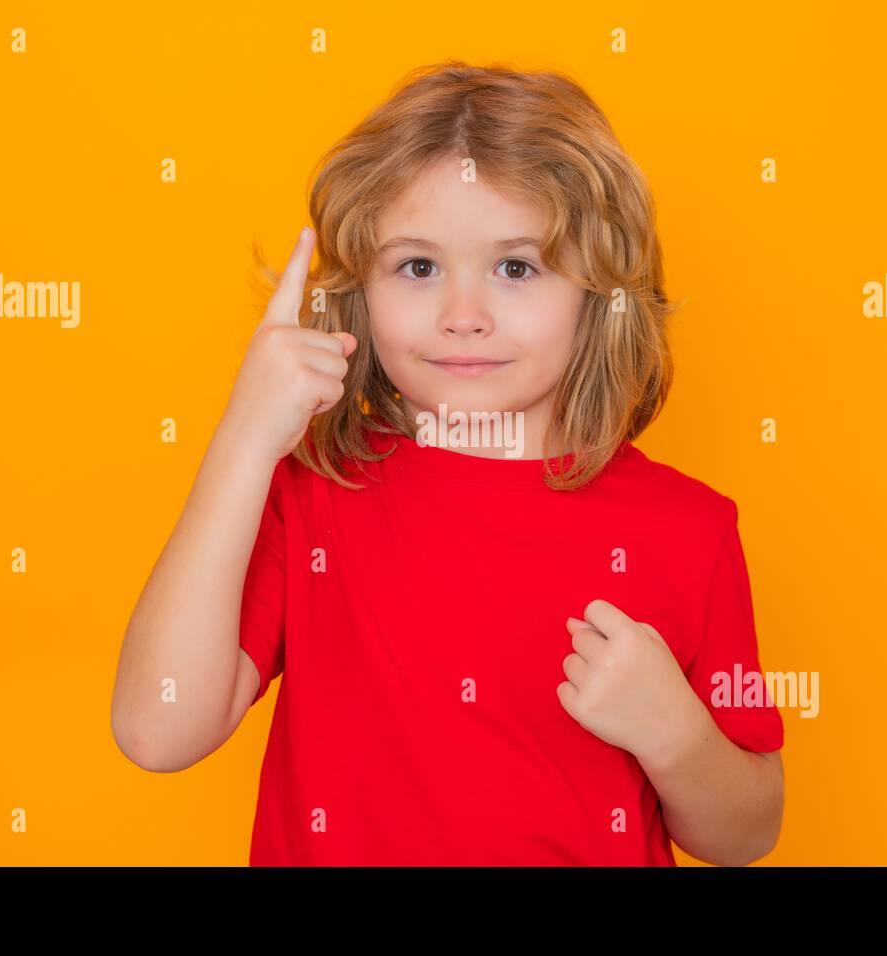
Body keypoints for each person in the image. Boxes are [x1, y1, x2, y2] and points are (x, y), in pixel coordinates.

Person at [111, 60, 784, 867]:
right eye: (419, 267)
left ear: (599, 291)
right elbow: (156, 728)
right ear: (360, 291)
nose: (463, 318)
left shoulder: (691, 530)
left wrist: (675, 736)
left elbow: (748, 835)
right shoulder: (316, 496)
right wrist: (245, 440)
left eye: (516, 267)